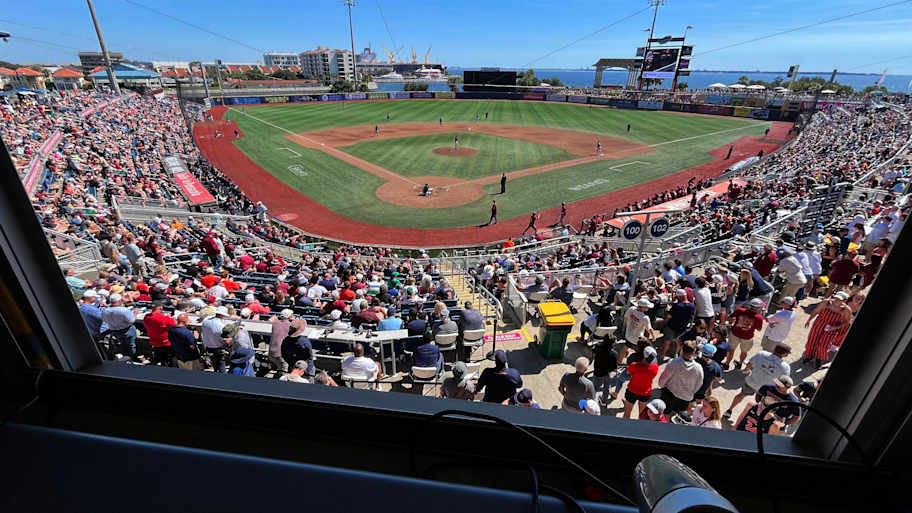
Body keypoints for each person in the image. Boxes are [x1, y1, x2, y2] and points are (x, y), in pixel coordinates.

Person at [724, 344, 791, 419]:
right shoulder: (786, 368)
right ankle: (754, 418)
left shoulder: (761, 354)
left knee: (741, 395)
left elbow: (749, 366)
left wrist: (748, 370)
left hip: (751, 382)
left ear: (775, 349)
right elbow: (782, 382)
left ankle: (729, 410)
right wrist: (772, 378)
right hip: (767, 389)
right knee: (763, 405)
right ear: (784, 354)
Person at [802, 291, 853, 369]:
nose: (836, 300)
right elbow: (816, 311)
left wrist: (835, 327)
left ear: (845, 301)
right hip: (818, 325)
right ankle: (809, 356)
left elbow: (847, 322)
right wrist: (809, 320)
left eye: (839, 299)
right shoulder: (826, 303)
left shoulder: (846, 310)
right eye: (836, 298)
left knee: (824, 346)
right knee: (812, 341)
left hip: (831, 330)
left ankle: (818, 361)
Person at [657, 342, 704, 419]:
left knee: (666, 413)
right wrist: (690, 392)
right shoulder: (699, 368)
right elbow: (699, 384)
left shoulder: (673, 362)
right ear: (693, 352)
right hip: (685, 398)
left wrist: (661, 386)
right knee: (679, 416)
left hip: (669, 393)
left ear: (682, 349)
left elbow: (664, 379)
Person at [725, 298, 765, 370]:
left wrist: (733, 321)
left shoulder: (740, 310)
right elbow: (759, 329)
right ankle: (739, 364)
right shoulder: (759, 318)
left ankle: (727, 364)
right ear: (757, 308)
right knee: (744, 352)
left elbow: (729, 318)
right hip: (747, 337)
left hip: (735, 334)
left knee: (731, 350)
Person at [101, 293, 140, 362]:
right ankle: (132, 358)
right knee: (131, 345)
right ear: (119, 301)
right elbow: (132, 320)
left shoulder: (105, 310)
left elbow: (105, 320)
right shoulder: (123, 310)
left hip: (115, 331)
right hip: (127, 330)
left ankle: (125, 358)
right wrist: (135, 314)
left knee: (122, 345)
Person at [622, 345, 658, 419]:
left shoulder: (635, 365)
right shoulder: (655, 368)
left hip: (632, 391)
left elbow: (628, 372)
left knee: (627, 413)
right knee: (642, 415)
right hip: (645, 393)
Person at [661, 289, 695, 361]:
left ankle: (663, 355)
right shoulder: (692, 306)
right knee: (679, 342)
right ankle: (676, 354)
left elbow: (669, 316)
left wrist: (668, 309)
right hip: (682, 327)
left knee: (667, 341)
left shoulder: (677, 306)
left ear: (679, 297)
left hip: (672, 326)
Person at [621, 298, 655, 365]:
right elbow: (649, 329)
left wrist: (629, 325)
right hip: (637, 339)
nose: (648, 307)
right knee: (639, 354)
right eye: (646, 306)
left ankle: (619, 362)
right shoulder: (645, 317)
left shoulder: (631, 309)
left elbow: (625, 318)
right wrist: (653, 336)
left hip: (628, 334)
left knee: (625, 347)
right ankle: (635, 366)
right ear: (642, 307)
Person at [201, 306, 229, 372]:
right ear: (223, 315)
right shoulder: (221, 326)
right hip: (218, 347)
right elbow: (224, 340)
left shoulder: (206, 321)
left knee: (215, 365)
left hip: (208, 347)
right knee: (221, 365)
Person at [591, 338, 618, 405]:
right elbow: (614, 367)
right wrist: (616, 372)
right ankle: (603, 401)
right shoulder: (614, 354)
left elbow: (593, 351)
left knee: (595, 387)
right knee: (606, 387)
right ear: (611, 344)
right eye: (615, 342)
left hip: (598, 372)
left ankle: (591, 400)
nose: (616, 343)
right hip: (608, 374)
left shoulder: (597, 347)